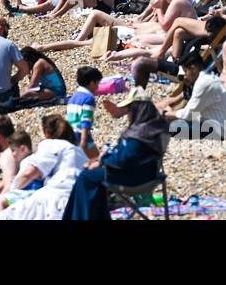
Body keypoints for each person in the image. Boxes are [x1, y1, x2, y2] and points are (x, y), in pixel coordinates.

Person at [64, 77, 170, 220]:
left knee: (86, 177)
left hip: (135, 177)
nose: (128, 113)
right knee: (92, 176)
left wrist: (101, 161)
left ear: (137, 109)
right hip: (147, 172)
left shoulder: (140, 133)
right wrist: (100, 160)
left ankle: (79, 217)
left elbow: (123, 159)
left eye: (130, 109)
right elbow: (128, 156)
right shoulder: (153, 128)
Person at [163, 49, 226, 140]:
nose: (185, 76)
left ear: (193, 68)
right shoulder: (208, 78)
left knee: (165, 127)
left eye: (185, 71)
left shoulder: (203, 83)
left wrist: (166, 114)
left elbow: (188, 114)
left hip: (222, 132)